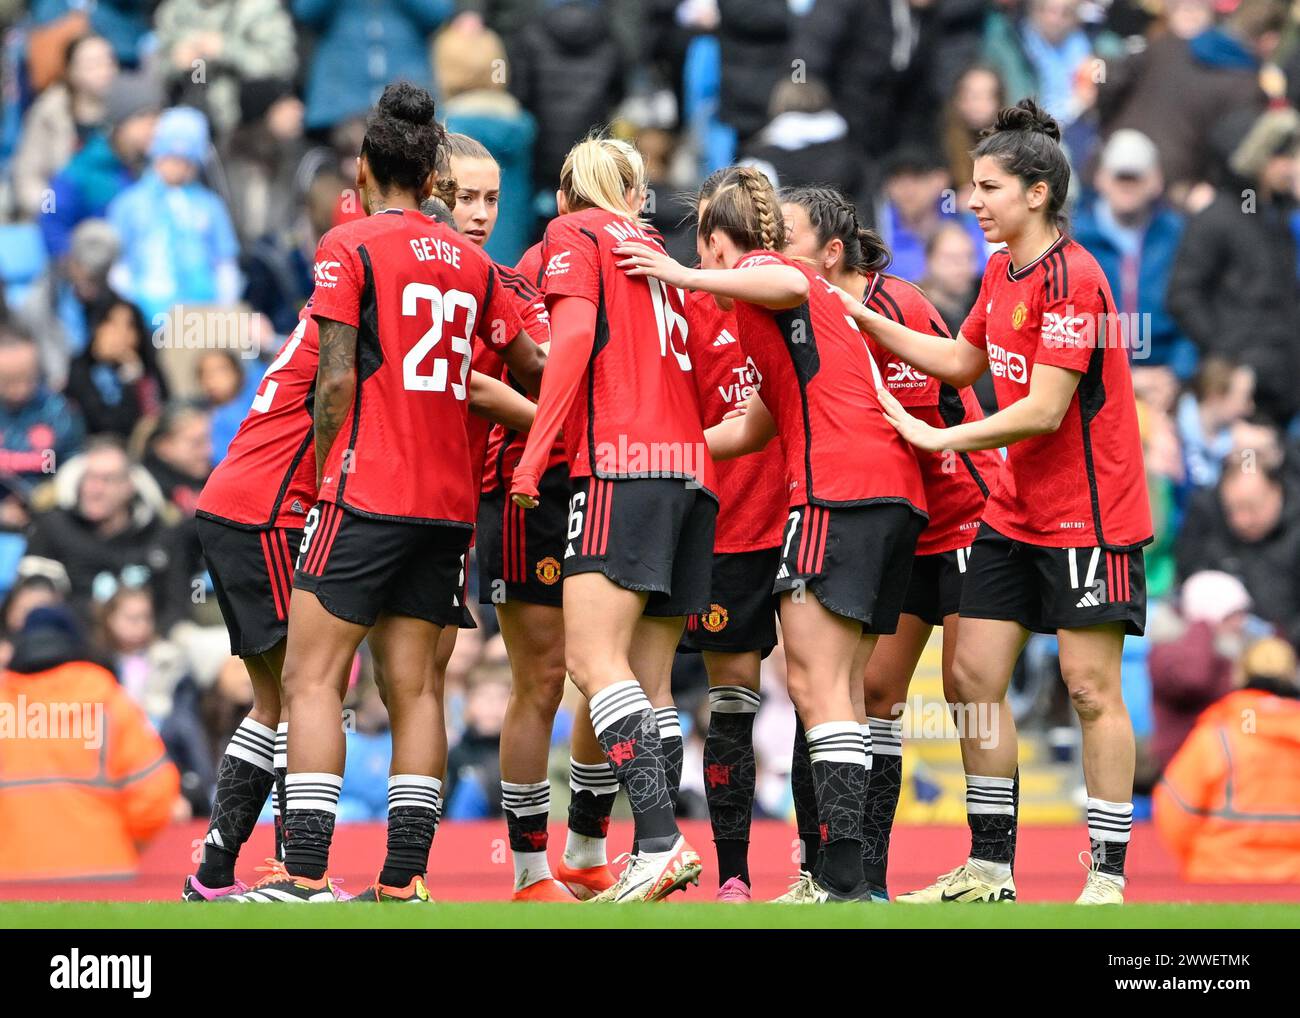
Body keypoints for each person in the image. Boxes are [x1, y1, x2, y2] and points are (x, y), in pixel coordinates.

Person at [227, 83, 543, 905]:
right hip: (449, 509)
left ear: (366, 168)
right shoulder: (476, 264)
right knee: (418, 689)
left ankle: (301, 874)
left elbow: (334, 380)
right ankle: (403, 883)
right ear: (434, 180)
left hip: (368, 490)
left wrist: (332, 470)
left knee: (310, 679)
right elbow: (535, 363)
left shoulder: (350, 244)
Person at [840, 99, 1152, 905]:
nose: (971, 202)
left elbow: (1047, 409)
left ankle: (1108, 877)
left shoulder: (1075, 278)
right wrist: (859, 316)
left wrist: (941, 441)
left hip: (1091, 511)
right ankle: (989, 868)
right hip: (1015, 513)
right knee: (971, 679)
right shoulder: (1000, 270)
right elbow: (957, 358)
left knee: (1090, 688)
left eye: (988, 188)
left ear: (1038, 192)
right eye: (971, 188)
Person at [618, 165, 928, 903]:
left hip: (835, 492)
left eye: (704, 251)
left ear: (723, 244)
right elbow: (753, 425)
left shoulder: (771, 271)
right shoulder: (802, 305)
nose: (700, 265)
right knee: (844, 688)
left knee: (814, 687)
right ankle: (840, 878)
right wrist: (671, 447)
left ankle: (843, 882)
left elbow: (779, 280)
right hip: (891, 497)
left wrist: (675, 275)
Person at [509, 135, 717, 902]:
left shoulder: (574, 233)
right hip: (693, 477)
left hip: (621, 468)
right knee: (649, 681)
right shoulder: (656, 250)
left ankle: (659, 840)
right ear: (635, 194)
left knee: (592, 665)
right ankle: (645, 847)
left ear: (567, 196)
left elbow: (568, 347)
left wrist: (534, 458)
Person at [780, 186, 1000, 902]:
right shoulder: (800, 309)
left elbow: (923, 409)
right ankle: (865, 876)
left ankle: (991, 866)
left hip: (965, 512)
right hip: (899, 525)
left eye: (785, 237)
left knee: (971, 690)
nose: (773, 251)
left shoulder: (898, 305)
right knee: (875, 692)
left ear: (830, 250)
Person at [439, 133, 611, 902]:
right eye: (464, 197)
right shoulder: (506, 279)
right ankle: (530, 870)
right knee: (541, 677)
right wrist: (560, 416)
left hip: (596, 484)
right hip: (519, 490)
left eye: (489, 201)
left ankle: (586, 846)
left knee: (608, 672)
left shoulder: (596, 271)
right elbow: (476, 382)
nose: (478, 214)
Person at [676, 169, 789, 901]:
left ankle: (827, 873)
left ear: (715, 242)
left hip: (795, 523)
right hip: (740, 529)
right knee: (736, 707)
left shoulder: (794, 291)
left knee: (819, 695)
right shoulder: (687, 308)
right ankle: (737, 874)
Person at [0, 605, 180, 881]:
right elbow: (154, 792)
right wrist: (129, 840)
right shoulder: (108, 697)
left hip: (8, 881)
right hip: (102, 874)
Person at [1154, 636, 1300, 882]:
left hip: (1220, 874)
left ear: (1241, 673)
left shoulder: (1219, 734)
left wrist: (1197, 853)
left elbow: (1173, 810)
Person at [10, 33, 118, 219]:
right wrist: (52, 209)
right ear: (71, 70)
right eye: (93, 64)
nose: (104, 71)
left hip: (112, 210)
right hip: (62, 209)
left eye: (108, 62)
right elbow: (29, 177)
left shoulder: (126, 110)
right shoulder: (49, 113)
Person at [63, 294, 167, 440]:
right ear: (97, 327)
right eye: (111, 323)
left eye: (130, 326)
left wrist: (138, 379)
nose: (121, 334)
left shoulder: (146, 369)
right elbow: (103, 424)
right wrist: (128, 384)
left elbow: (162, 415)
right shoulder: (80, 369)